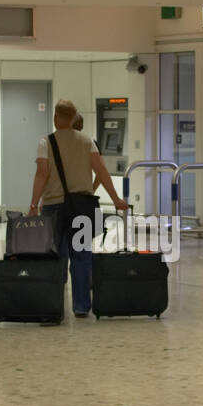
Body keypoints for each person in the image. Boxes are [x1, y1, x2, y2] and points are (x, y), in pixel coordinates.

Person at [29, 100, 130, 318]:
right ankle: (82, 306)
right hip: (82, 207)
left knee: (56, 255)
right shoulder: (88, 142)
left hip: (54, 207)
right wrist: (116, 199)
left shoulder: (46, 142)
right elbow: (101, 170)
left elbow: (41, 174)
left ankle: (54, 303)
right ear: (74, 118)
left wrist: (33, 204)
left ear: (56, 117)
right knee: (82, 256)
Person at [71, 112, 105, 195]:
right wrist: (92, 191)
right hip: (83, 195)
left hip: (62, 197)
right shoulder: (91, 142)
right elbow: (102, 172)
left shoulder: (59, 144)